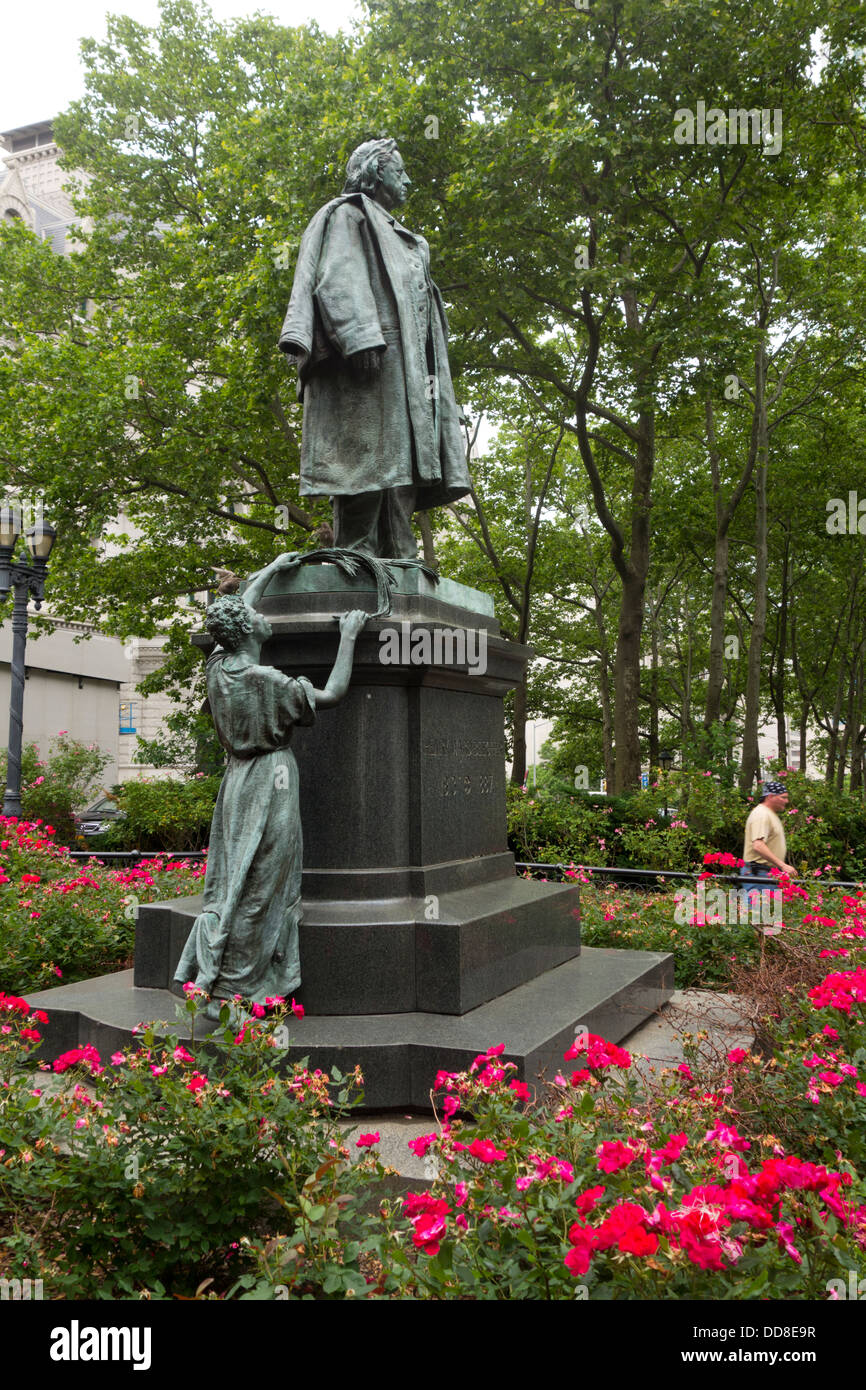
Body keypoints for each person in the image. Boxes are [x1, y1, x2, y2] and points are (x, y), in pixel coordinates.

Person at [174, 553, 367, 1019]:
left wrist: (274, 568)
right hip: (272, 780)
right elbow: (333, 694)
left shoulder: (218, 669)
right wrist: (348, 636)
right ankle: (240, 985)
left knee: (233, 878)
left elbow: (242, 603)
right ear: (248, 631)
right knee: (262, 882)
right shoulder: (266, 680)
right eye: (257, 617)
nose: (262, 614)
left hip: (237, 781)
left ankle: (216, 972)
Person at [278, 138, 471, 559]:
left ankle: (400, 553)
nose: (407, 179)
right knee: (364, 462)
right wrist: (359, 335)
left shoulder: (405, 238)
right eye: (398, 170)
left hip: (408, 372)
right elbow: (337, 275)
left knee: (403, 463)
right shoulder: (348, 215)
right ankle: (357, 553)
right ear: (374, 172)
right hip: (369, 363)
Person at [740, 779, 799, 896]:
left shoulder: (769, 814)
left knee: (768, 912)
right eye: (783, 797)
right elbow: (758, 845)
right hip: (758, 873)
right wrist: (783, 865)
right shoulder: (761, 814)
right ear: (770, 796)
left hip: (767, 872)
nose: (786, 801)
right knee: (757, 912)